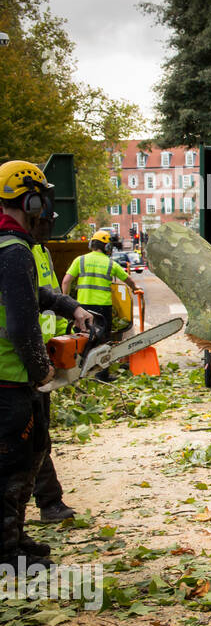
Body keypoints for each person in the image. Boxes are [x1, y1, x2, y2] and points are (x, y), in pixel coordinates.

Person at [0, 161, 95, 567]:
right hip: (7, 379)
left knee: (30, 456)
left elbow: (30, 295)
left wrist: (68, 305)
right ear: (31, 200)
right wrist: (41, 369)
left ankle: (15, 540)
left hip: (9, 378)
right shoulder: (14, 250)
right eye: (42, 200)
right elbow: (22, 325)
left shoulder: (8, 246)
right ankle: (5, 554)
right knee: (10, 469)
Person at [30, 215, 77, 523]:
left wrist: (67, 324)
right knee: (31, 437)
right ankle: (49, 503)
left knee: (38, 433)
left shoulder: (40, 250)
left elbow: (47, 294)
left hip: (41, 352)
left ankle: (49, 502)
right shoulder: (12, 250)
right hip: (20, 361)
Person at [62, 229, 139, 380]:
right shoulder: (110, 263)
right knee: (103, 342)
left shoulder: (80, 260)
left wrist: (65, 302)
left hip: (82, 307)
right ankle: (102, 375)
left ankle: (78, 375)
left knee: (81, 340)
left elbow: (66, 281)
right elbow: (128, 280)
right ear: (107, 248)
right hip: (103, 308)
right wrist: (135, 288)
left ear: (92, 244)